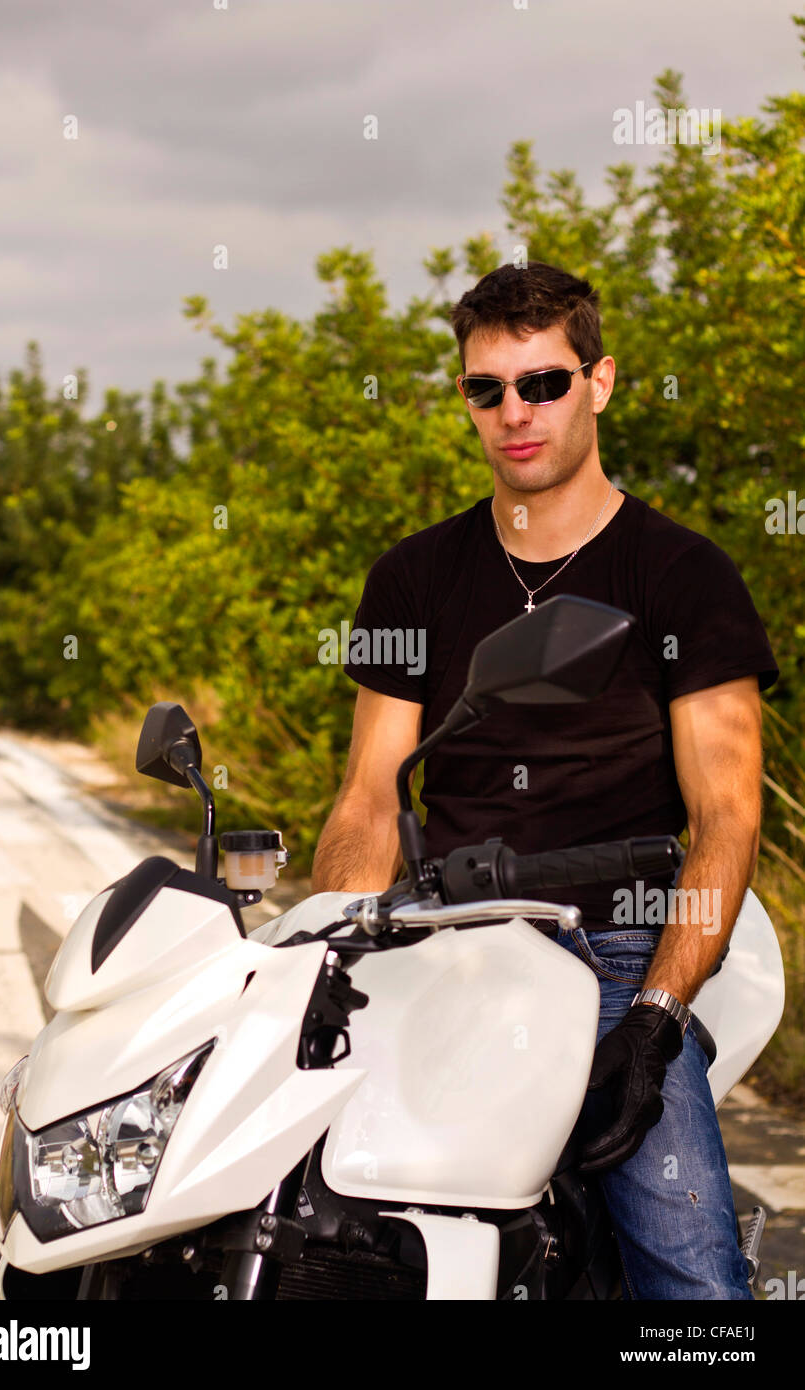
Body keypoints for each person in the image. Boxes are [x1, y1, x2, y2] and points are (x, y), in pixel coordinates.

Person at [310, 260, 779, 1300]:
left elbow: (724, 819)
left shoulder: (681, 575)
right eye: (486, 388)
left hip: (611, 954)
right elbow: (368, 799)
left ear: (598, 382)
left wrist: (654, 1023)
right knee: (300, 1214)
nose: (513, 412)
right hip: (436, 943)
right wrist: (323, 952)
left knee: (690, 1278)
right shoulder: (413, 577)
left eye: (542, 383)